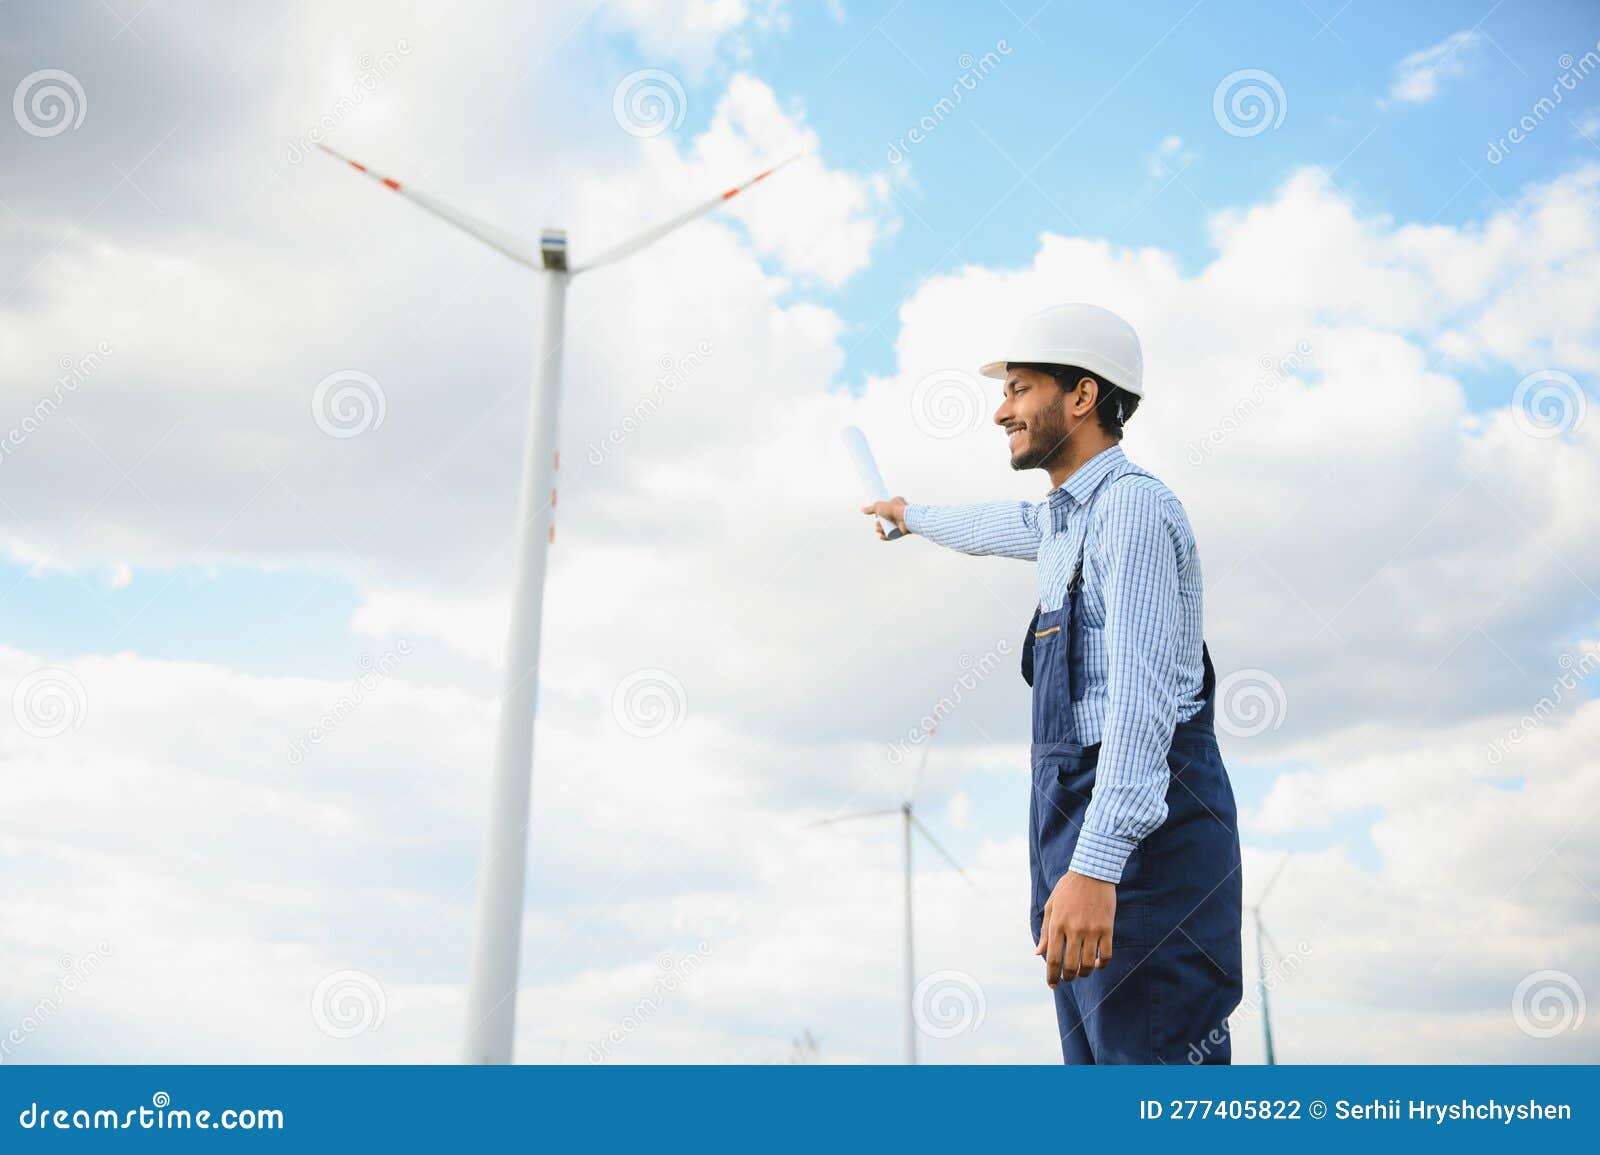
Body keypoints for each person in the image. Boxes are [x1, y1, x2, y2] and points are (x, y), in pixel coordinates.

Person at [861, 304, 1243, 1064]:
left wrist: (1097, 865)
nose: (1001, 409)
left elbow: (1142, 707)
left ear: (1082, 397)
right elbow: (994, 524)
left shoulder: (1130, 511)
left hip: (1143, 860)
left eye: (1020, 388)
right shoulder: (1062, 525)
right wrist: (910, 515)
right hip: (1082, 850)